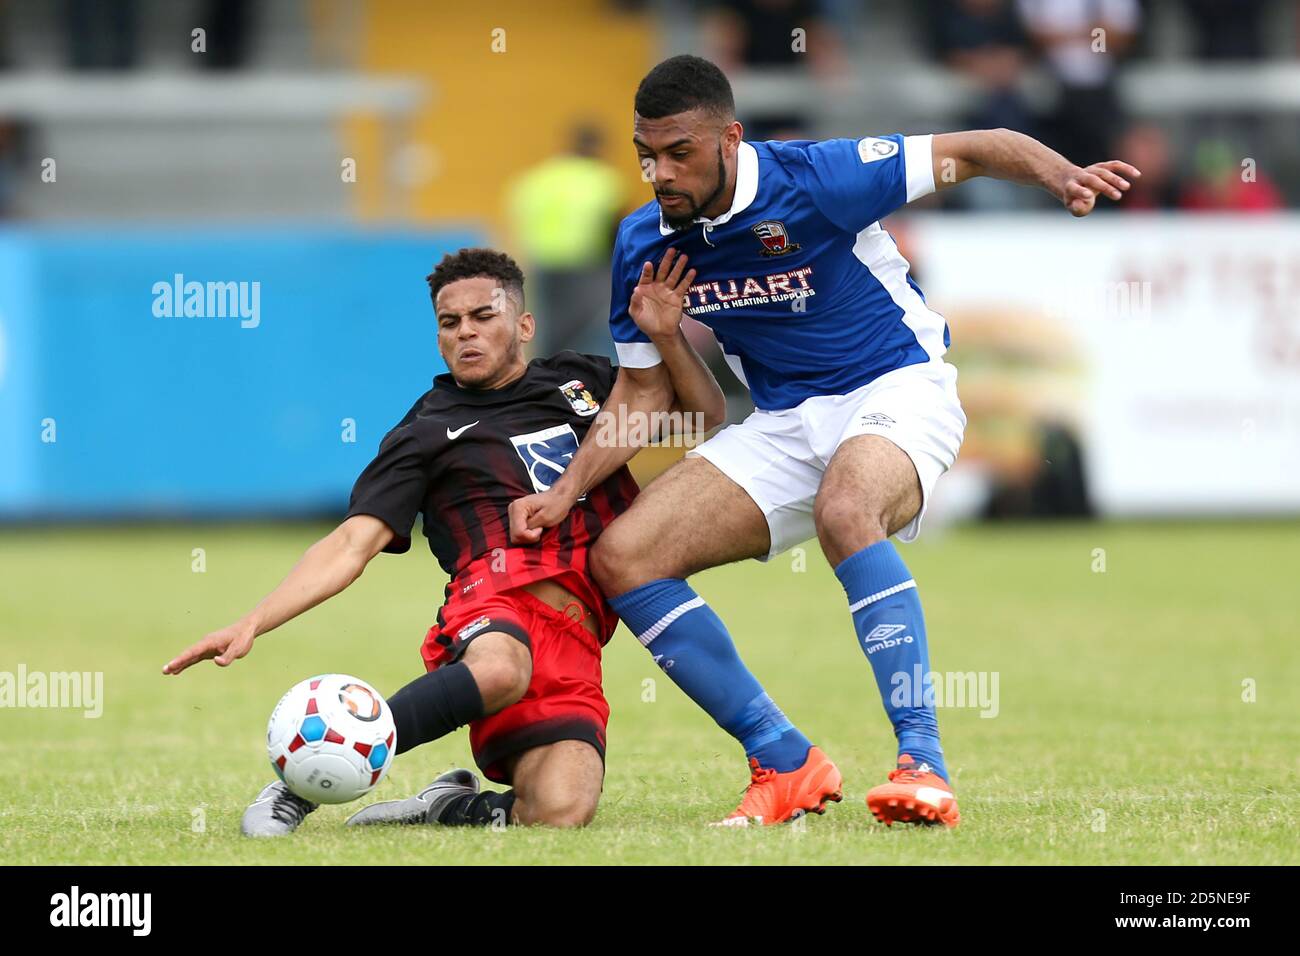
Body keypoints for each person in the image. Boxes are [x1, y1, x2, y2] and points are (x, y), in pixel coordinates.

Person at [511, 55, 1139, 828]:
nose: (659, 173)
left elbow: (978, 146)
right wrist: (565, 492)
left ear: (730, 140)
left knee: (849, 510)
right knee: (624, 557)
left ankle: (924, 762)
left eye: (680, 153)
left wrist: (1062, 176)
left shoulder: (818, 178)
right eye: (647, 154)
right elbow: (643, 397)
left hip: (896, 386)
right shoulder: (643, 240)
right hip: (784, 423)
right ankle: (783, 760)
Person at [162, 247, 724, 835]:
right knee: (501, 670)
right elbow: (353, 541)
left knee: (561, 812)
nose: (466, 333)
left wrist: (669, 338)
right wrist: (255, 620)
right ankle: (298, 782)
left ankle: (450, 806)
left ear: (524, 325)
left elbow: (702, 414)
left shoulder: (582, 381)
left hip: (580, 629)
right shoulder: (426, 430)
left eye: (483, 316)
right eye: (450, 323)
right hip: (495, 598)